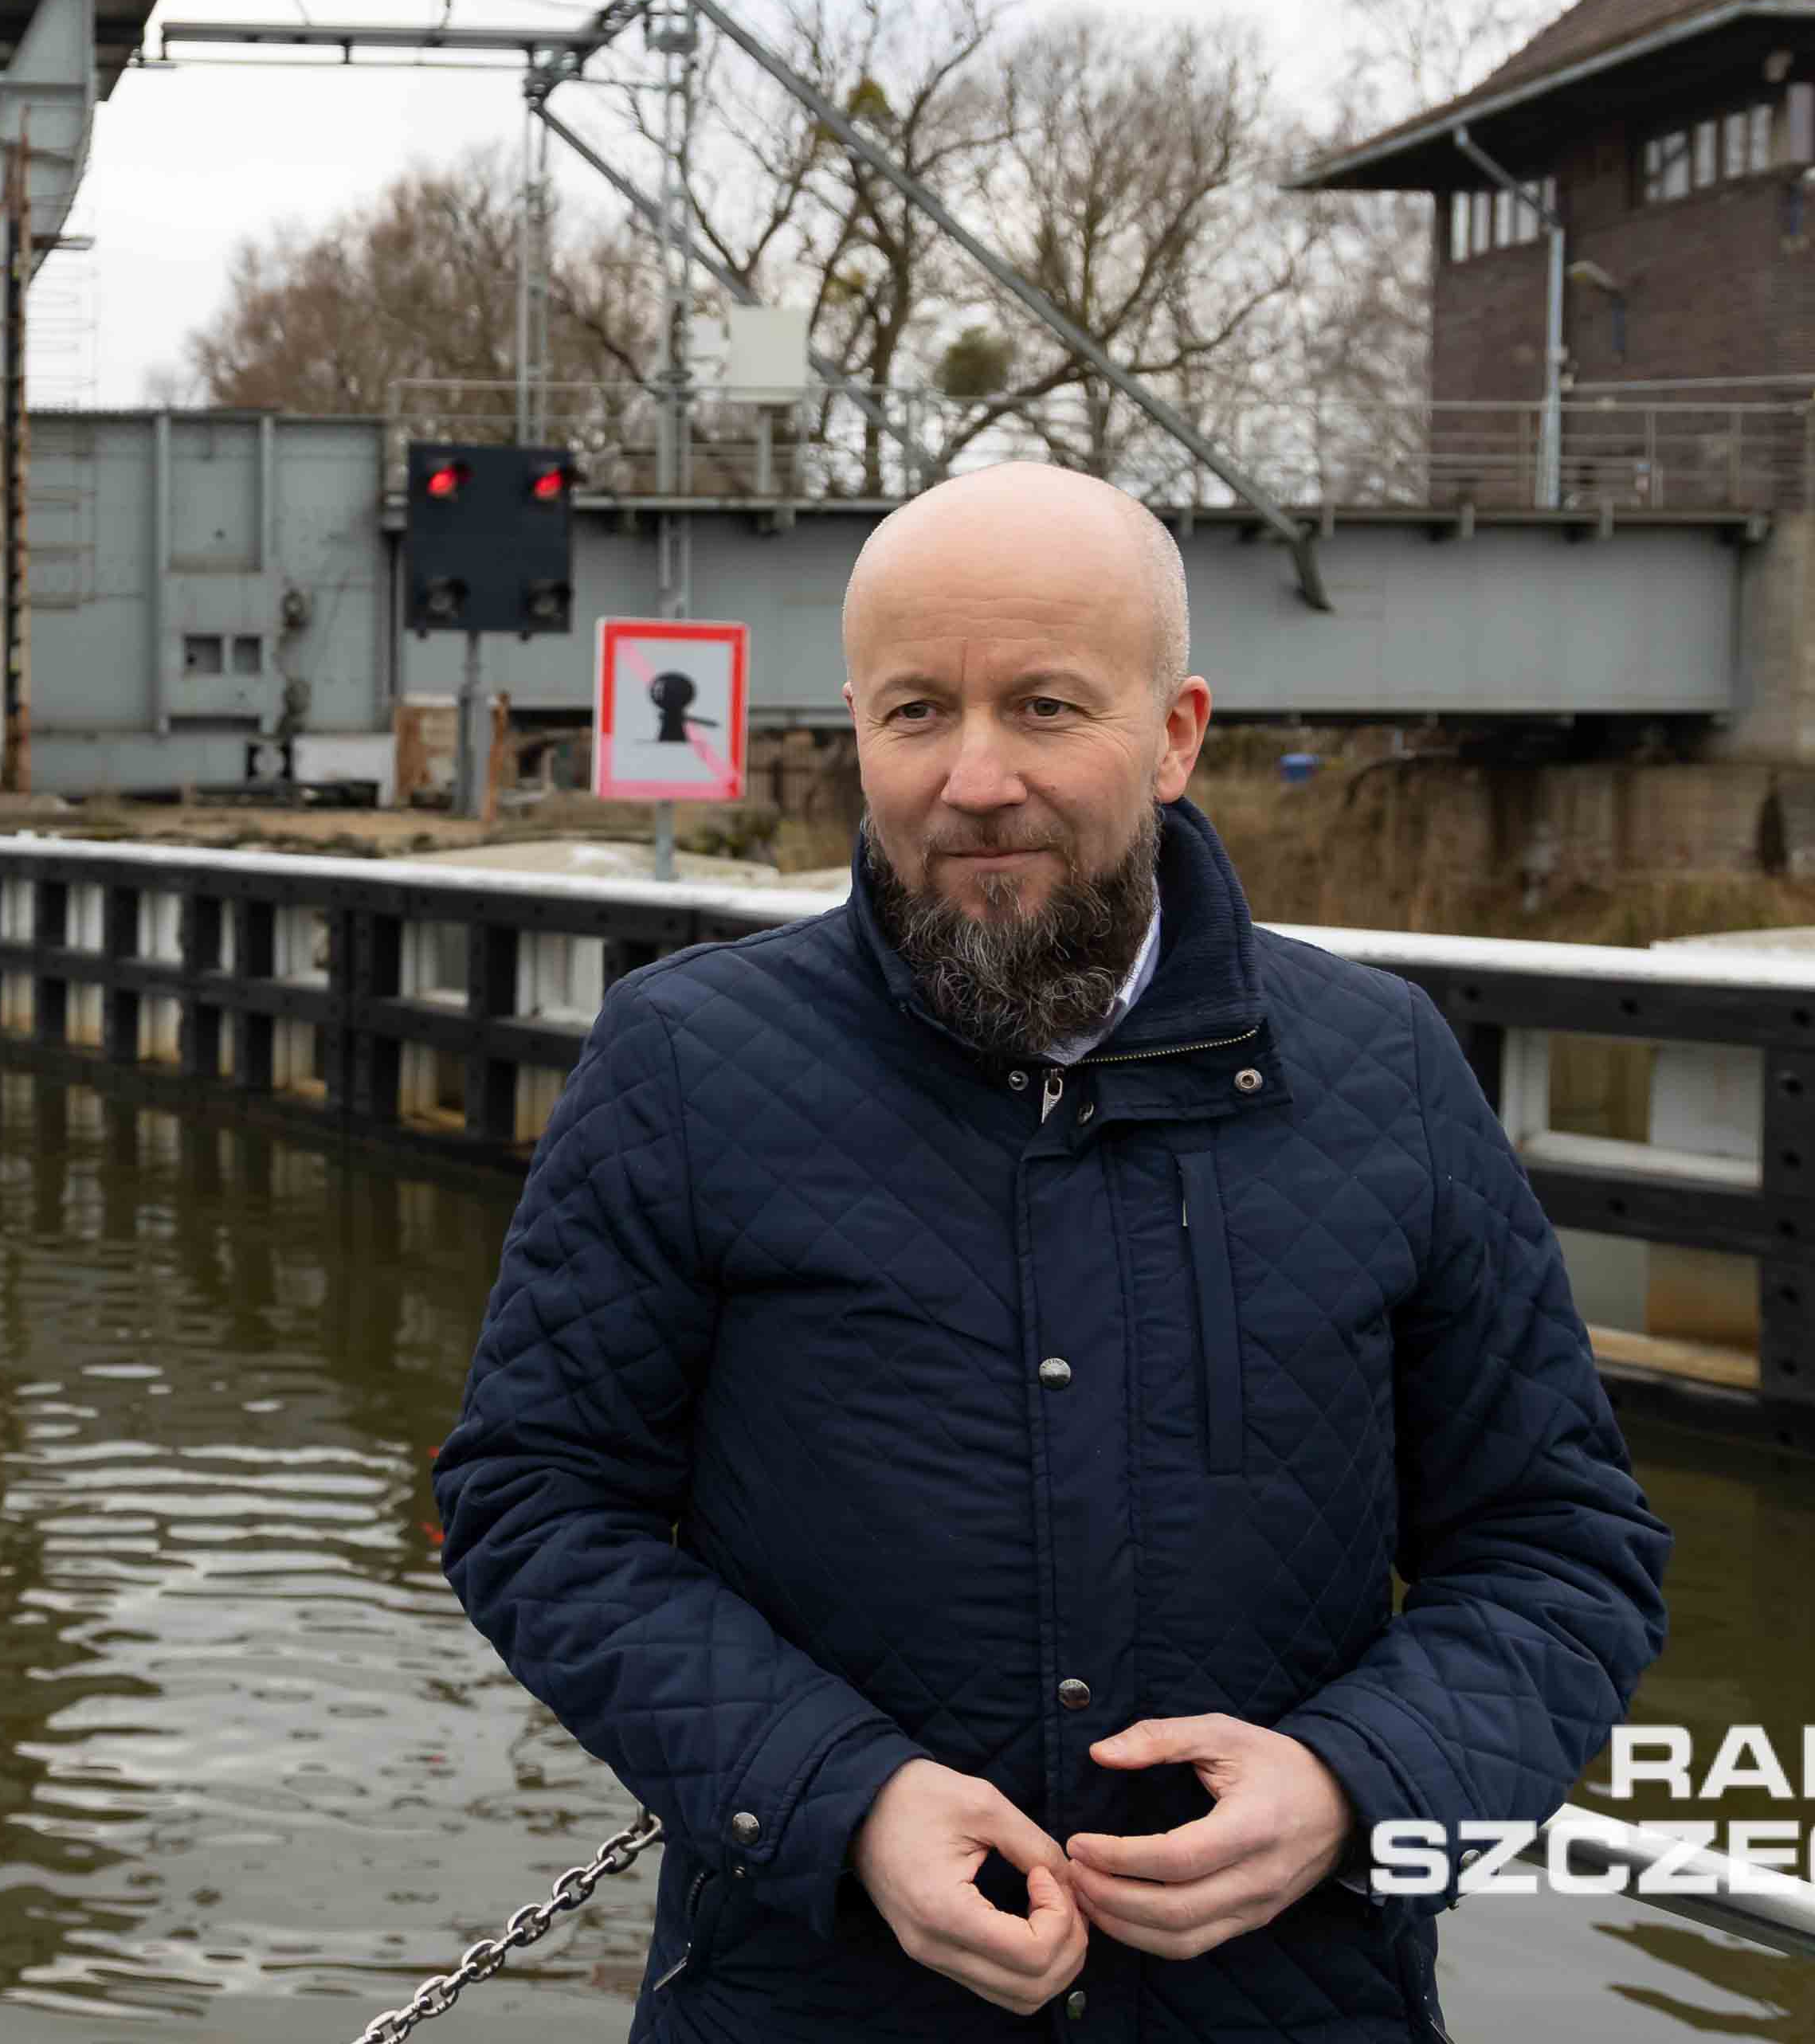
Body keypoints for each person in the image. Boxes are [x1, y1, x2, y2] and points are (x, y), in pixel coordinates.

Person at [429, 464, 1670, 2040]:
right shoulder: (685, 1065)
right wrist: (837, 1794)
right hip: (817, 1999)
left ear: (1173, 733)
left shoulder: (1383, 1070)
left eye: (1042, 706)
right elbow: (532, 1503)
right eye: (913, 712)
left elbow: (1561, 1542)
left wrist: (1354, 1782)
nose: (972, 777)